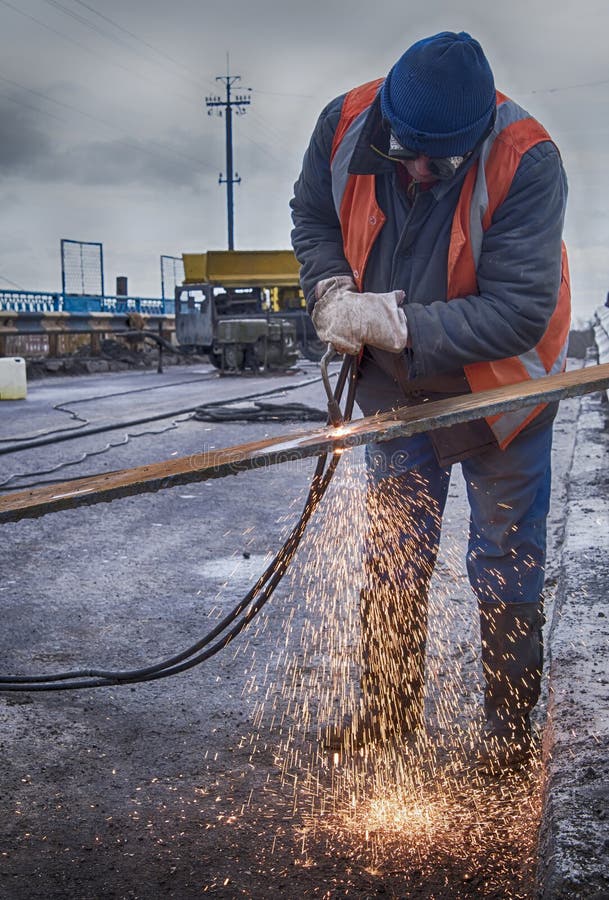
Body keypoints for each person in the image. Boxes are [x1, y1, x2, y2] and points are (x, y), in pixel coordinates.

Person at [290, 31, 570, 771]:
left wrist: (400, 323)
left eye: (437, 162)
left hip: (501, 387)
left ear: (474, 136)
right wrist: (329, 290)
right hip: (395, 378)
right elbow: (313, 218)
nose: (416, 171)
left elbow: (518, 310)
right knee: (393, 552)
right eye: (404, 152)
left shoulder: (527, 161)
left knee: (503, 555)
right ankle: (386, 718)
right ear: (387, 115)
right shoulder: (346, 124)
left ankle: (507, 737)